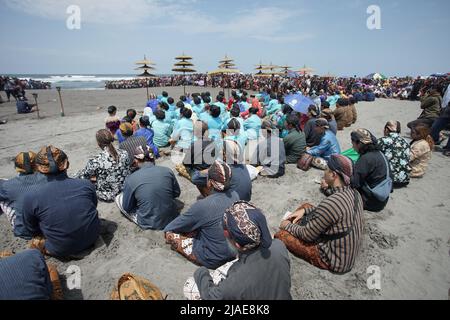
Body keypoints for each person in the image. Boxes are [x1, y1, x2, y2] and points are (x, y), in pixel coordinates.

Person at [276, 154, 364, 274]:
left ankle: (288, 227)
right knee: (306, 207)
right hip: (346, 250)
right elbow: (331, 212)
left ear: (333, 175)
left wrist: (287, 225)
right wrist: (305, 211)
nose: (324, 172)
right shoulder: (354, 193)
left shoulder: (331, 203)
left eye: (327, 169)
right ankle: (298, 218)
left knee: (281, 235)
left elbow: (307, 235)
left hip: (334, 260)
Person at [194, 201, 292, 300]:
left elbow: (210, 296)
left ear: (237, 244)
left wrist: (201, 272)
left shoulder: (235, 282)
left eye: (225, 233)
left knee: (190, 286)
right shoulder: (279, 246)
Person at [22, 146, 100, 258]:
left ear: (39, 168)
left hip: (61, 249)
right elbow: (93, 205)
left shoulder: (31, 197)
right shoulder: (86, 184)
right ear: (67, 164)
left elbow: (31, 229)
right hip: (93, 237)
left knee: (36, 241)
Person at [164, 161, 239, 269]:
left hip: (214, 259)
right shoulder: (235, 195)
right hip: (234, 251)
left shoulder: (202, 206)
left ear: (209, 183)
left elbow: (170, 227)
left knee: (170, 234)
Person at [115, 145, 182, 230]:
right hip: (172, 217)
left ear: (136, 160)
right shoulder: (167, 170)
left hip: (149, 223)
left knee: (119, 198)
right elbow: (176, 193)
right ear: (153, 158)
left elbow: (127, 207)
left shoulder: (131, 178)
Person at [0, 152, 47, 239]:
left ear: (17, 168)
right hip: (47, 227)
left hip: (25, 231)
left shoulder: (9, 185)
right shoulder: (48, 178)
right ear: (37, 165)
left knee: (4, 197)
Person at [74, 130, 131, 202]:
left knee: (81, 178)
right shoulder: (124, 153)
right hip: (125, 188)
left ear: (98, 143)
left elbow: (85, 176)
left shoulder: (96, 160)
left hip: (108, 194)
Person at [350, 129, 392, 212]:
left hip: (370, 202)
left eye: (353, 143)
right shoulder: (380, 154)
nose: (352, 146)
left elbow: (355, 183)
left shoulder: (366, 159)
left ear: (359, 143)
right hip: (382, 200)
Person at [378, 121, 411, 188]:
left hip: (388, 180)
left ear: (386, 129)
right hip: (404, 180)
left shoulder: (382, 141)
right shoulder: (405, 141)